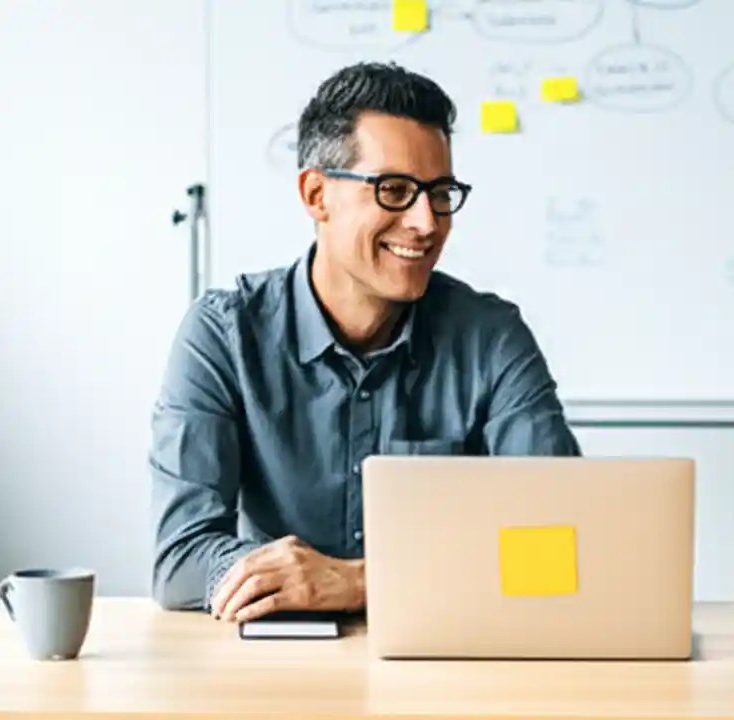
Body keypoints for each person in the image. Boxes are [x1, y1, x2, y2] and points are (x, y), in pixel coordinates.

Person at [150, 62, 580, 621]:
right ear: (316, 194)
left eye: (440, 193)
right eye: (395, 190)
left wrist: (358, 582)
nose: (427, 223)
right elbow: (181, 559)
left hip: (449, 646)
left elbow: (557, 542)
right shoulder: (223, 335)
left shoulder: (491, 337)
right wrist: (278, 578)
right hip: (279, 656)